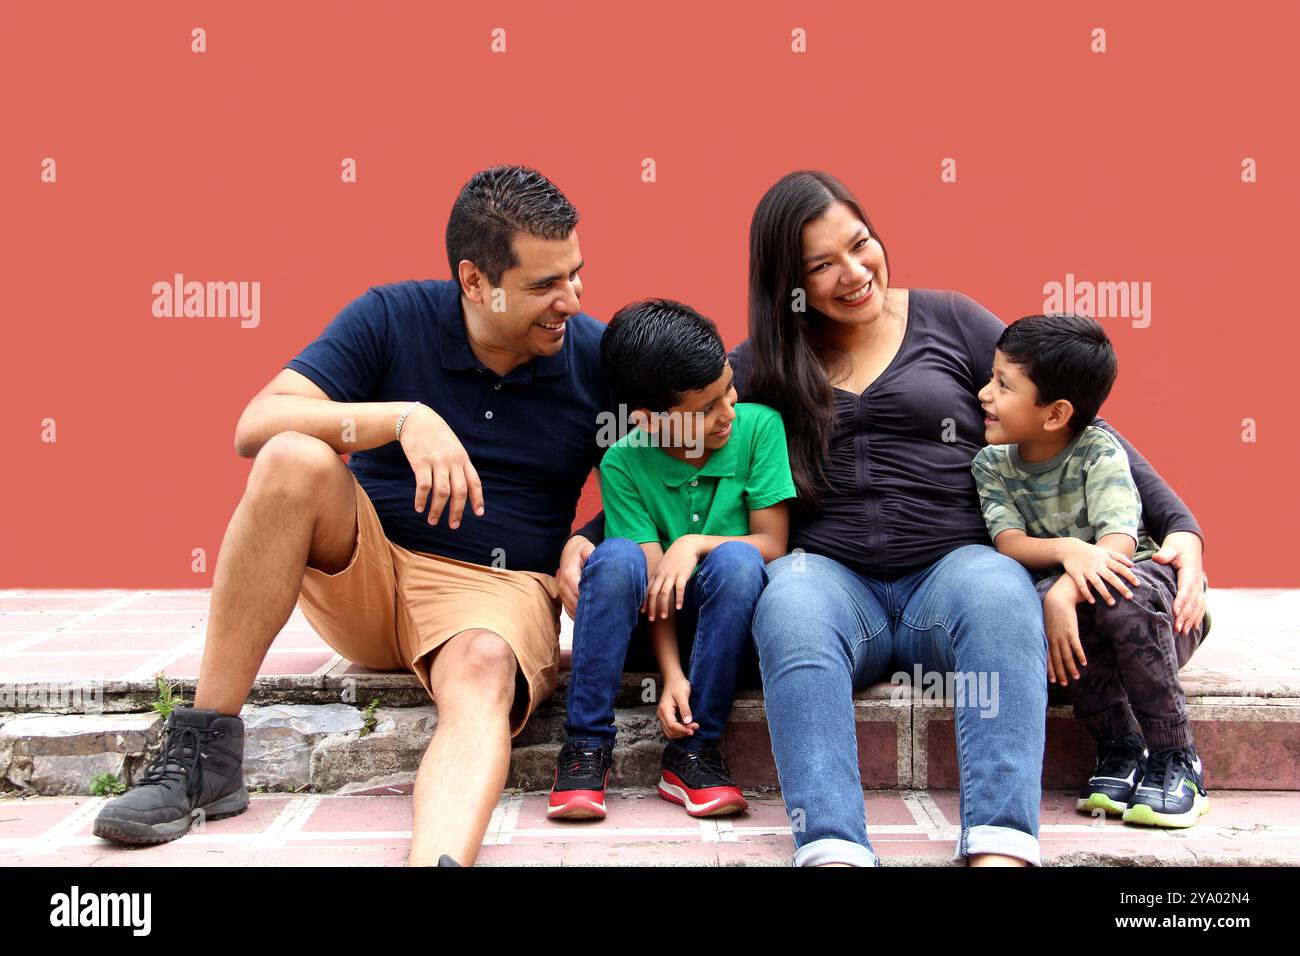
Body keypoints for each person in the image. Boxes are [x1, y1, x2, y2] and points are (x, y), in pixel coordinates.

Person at [561, 170, 1209, 867]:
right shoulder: (764, 362)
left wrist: (1181, 528)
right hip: (832, 579)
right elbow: (675, 447)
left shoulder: (951, 320)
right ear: (790, 282)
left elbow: (1076, 424)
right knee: (790, 605)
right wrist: (588, 538)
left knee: (1000, 591)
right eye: (821, 265)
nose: (854, 272)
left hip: (954, 570)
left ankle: (1001, 843)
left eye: (860, 244)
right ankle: (833, 844)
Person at [93, 165, 611, 866]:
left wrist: (589, 538)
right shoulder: (391, 316)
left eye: (575, 274)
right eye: (545, 285)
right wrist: (401, 419)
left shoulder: (598, 359)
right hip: (368, 573)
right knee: (290, 460)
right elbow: (257, 423)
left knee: (485, 663)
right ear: (474, 280)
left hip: (496, 597)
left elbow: (670, 477)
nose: (571, 301)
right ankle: (204, 751)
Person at [548, 300, 795, 821]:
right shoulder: (623, 461)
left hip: (730, 627)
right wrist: (670, 677)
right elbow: (655, 586)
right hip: (652, 628)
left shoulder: (758, 428)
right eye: (704, 409)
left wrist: (694, 543)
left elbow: (772, 542)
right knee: (614, 557)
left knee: (737, 560)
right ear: (648, 420)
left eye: (728, 389)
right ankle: (586, 747)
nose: (727, 411)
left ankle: (693, 751)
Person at [972, 313, 1209, 828]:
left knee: (1115, 600)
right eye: (992, 378)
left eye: (1003, 385)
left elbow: (1119, 544)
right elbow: (1009, 542)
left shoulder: (1098, 449)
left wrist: (1062, 592)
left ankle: (1176, 757)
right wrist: (1062, 565)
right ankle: (1120, 748)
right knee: (1045, 613)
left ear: (1056, 413)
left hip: (1148, 597)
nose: (985, 394)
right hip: (1086, 599)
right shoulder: (991, 464)